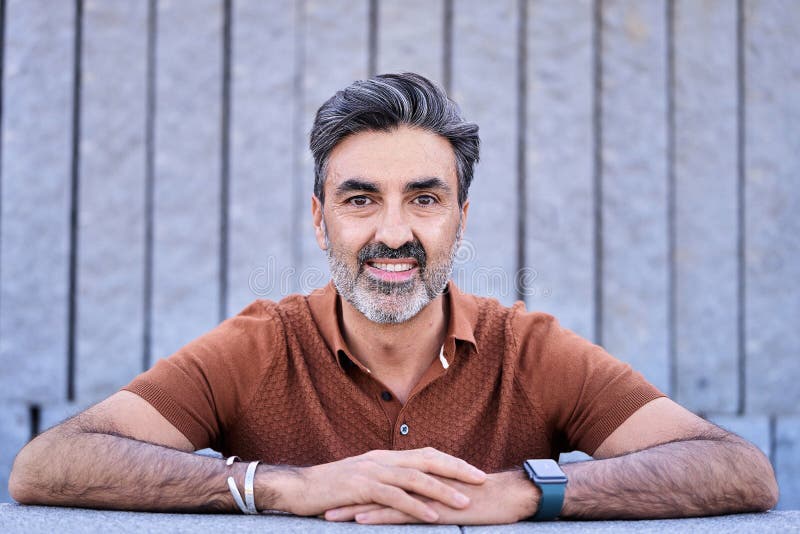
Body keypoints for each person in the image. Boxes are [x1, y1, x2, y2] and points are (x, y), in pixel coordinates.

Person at [9, 73, 778, 524]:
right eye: (360, 199)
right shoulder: (261, 344)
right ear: (319, 219)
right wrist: (282, 485)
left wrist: (526, 493)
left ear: (461, 218)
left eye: (424, 198)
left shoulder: (530, 348)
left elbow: (740, 471)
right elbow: (49, 465)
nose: (393, 232)